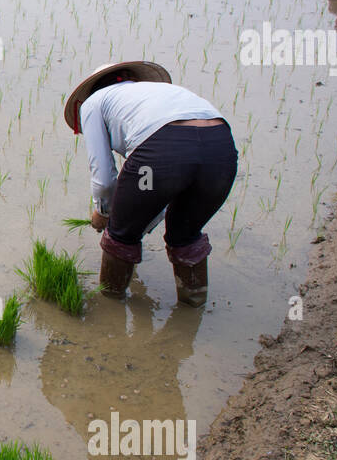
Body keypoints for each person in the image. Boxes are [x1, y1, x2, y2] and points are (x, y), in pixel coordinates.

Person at [64, 61, 238, 306]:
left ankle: (110, 309)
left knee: (121, 236)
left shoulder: (94, 102)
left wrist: (104, 212)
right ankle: (192, 307)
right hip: (221, 151)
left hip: (163, 150)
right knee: (185, 235)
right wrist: (137, 218)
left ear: (93, 90)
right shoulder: (162, 96)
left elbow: (103, 178)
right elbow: (158, 192)